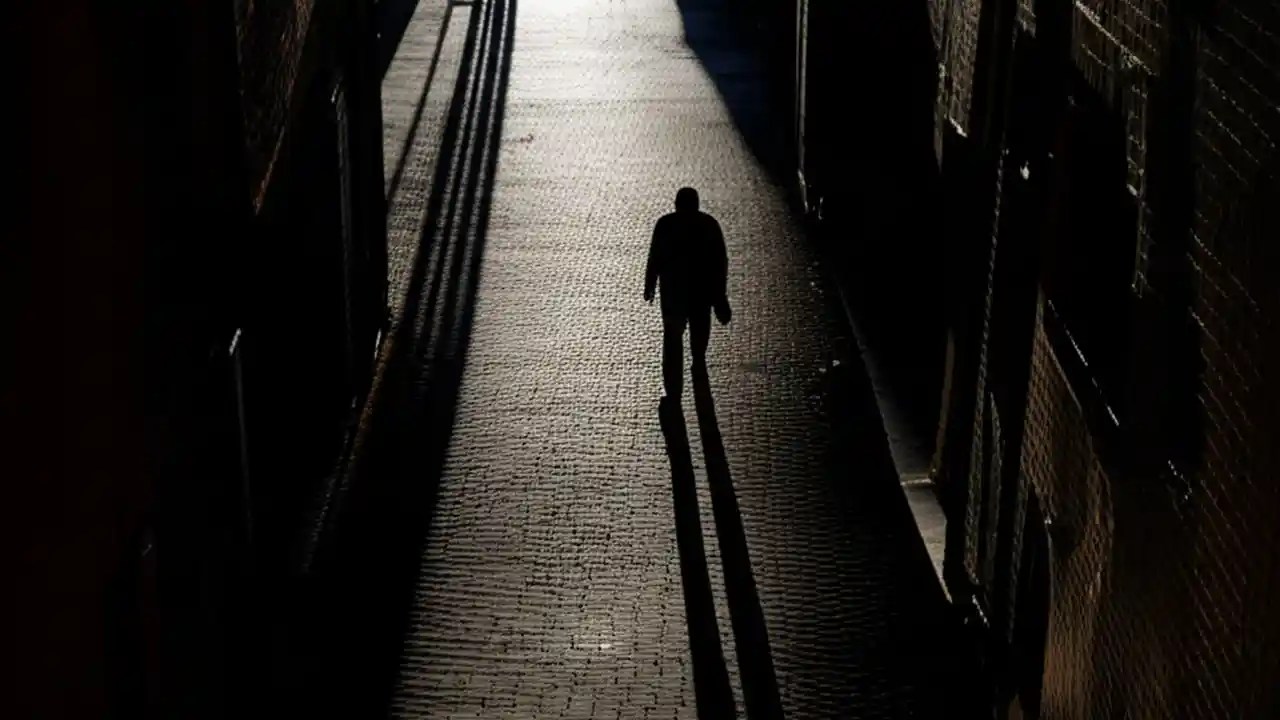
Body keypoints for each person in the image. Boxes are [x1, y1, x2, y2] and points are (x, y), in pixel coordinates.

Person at [644, 187, 731, 402]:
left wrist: (650, 284)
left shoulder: (665, 225)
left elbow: (654, 256)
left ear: (676, 204)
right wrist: (720, 296)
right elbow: (720, 262)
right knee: (700, 330)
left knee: (672, 338)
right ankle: (698, 363)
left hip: (673, 293)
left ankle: (673, 388)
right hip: (701, 292)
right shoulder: (709, 225)